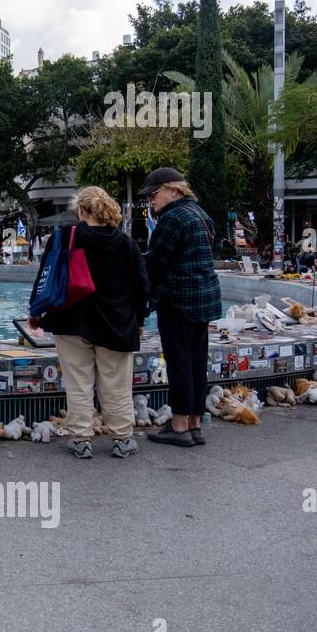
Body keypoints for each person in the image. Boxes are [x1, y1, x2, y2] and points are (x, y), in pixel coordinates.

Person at [28, 186, 149, 459]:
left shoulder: (64, 237)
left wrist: (35, 313)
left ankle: (81, 439)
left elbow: (45, 278)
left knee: (78, 382)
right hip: (116, 323)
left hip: (70, 319)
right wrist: (139, 320)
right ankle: (121, 438)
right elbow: (142, 288)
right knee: (116, 384)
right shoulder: (126, 243)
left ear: (80, 210)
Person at [139, 167, 222, 447]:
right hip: (204, 299)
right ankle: (195, 423)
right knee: (197, 361)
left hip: (177, 300)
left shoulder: (172, 218)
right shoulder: (202, 214)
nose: (151, 200)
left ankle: (178, 425)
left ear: (174, 189)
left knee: (179, 363)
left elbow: (154, 262)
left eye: (154, 193)